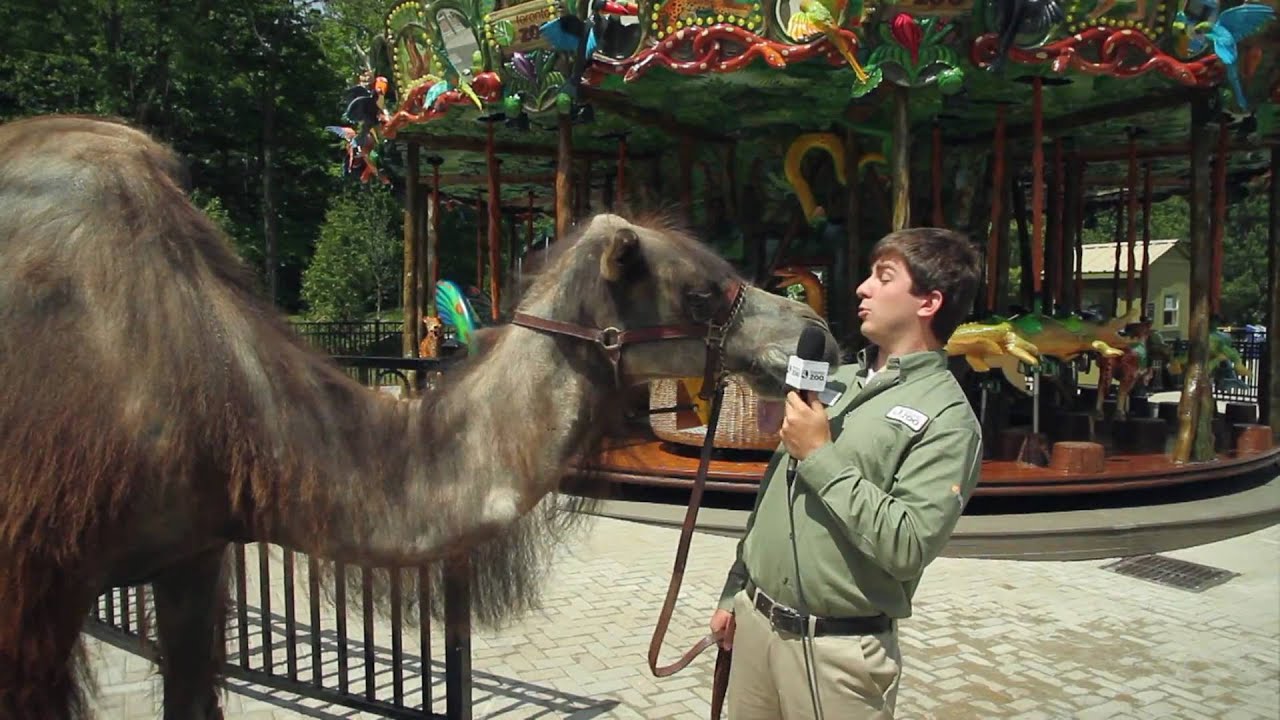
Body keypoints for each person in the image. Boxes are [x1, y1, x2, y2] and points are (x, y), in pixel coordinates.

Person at [709, 227, 985, 719]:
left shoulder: (948, 419)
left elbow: (908, 547)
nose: (862, 287)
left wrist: (819, 454)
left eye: (883, 277)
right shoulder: (835, 379)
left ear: (929, 302)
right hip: (754, 625)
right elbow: (773, 498)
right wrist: (735, 591)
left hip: (836, 654)